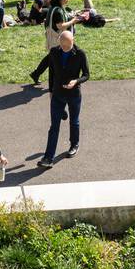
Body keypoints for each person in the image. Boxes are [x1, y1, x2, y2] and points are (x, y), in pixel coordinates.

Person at [36, 30, 89, 167]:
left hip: (74, 95)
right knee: (54, 126)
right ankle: (48, 158)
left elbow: (86, 75)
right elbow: (51, 73)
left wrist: (76, 81)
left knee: (74, 122)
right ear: (59, 41)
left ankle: (74, 145)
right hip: (58, 94)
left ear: (73, 41)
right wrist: (50, 91)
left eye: (67, 46)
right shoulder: (54, 52)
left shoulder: (80, 54)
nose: (64, 48)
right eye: (62, 45)